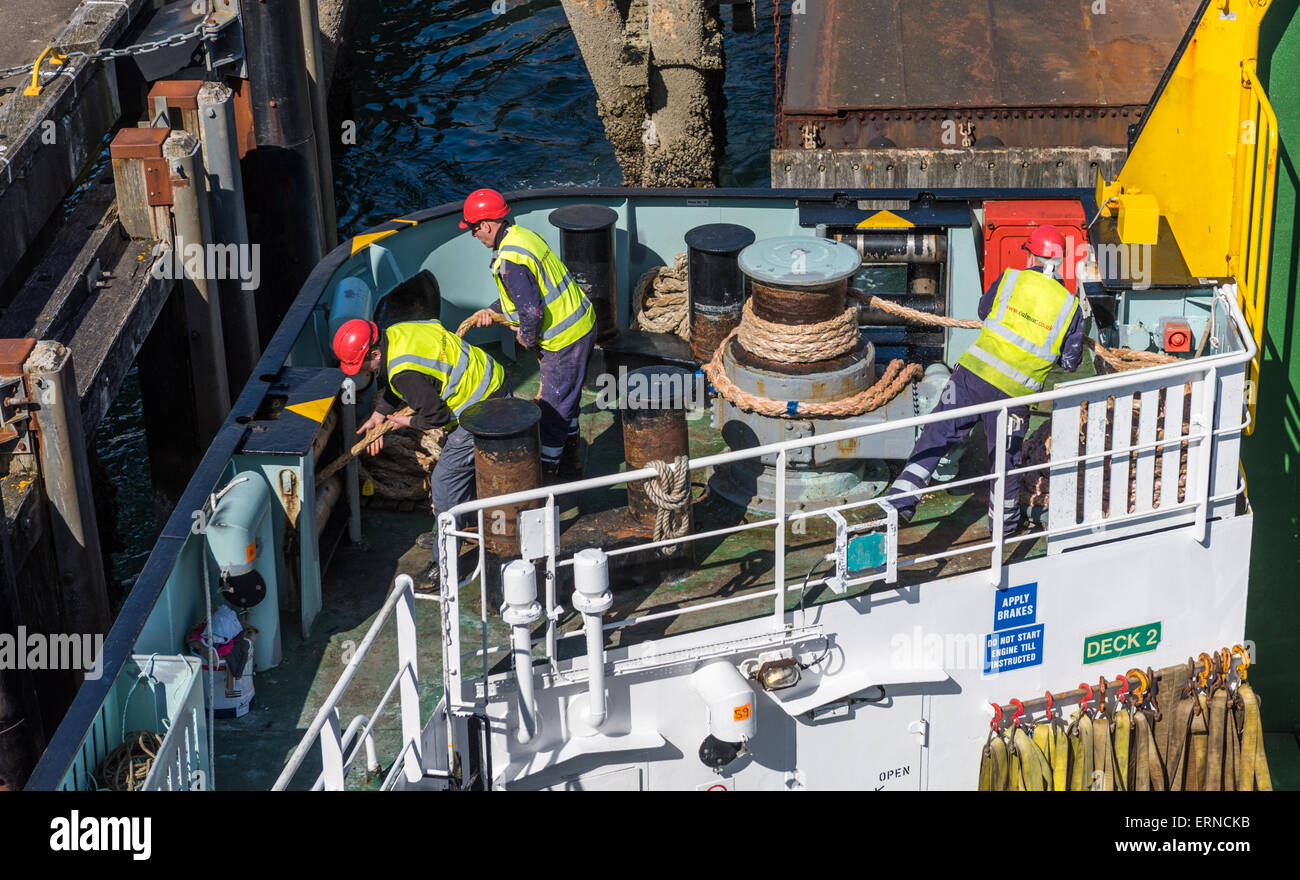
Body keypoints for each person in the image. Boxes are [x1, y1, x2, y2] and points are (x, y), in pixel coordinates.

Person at [884, 224, 1084, 535]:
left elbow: (983, 310)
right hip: (1013, 397)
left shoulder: (1010, 279)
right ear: (1060, 264)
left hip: (972, 377)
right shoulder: (1071, 308)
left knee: (937, 432)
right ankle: (1004, 528)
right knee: (1005, 461)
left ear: (1031, 257)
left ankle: (901, 502)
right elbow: (1071, 363)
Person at [332, 317, 511, 583]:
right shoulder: (396, 332)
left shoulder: (401, 371)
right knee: (459, 475)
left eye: (363, 365)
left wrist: (407, 423)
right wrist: (379, 415)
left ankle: (446, 565)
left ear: (375, 353)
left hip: (483, 408)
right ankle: (465, 524)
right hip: (492, 380)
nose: (363, 372)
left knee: (444, 482)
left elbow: (435, 415)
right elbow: (407, 381)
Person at [461, 187, 596, 478]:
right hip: (581, 325)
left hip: (565, 340)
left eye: (473, 230)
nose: (474, 236)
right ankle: (571, 457)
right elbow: (523, 297)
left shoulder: (510, 260)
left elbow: (532, 312)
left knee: (553, 410)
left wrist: (526, 338)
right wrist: (491, 310)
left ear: (485, 225)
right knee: (567, 399)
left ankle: (547, 475)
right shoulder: (521, 237)